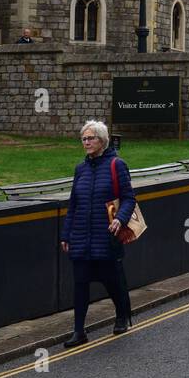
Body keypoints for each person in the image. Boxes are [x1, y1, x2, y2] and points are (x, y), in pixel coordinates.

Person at [61, 120, 137, 346]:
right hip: (81, 237)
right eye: (83, 138)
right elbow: (73, 204)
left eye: (91, 138)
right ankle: (78, 331)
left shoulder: (117, 165)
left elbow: (129, 198)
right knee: (80, 284)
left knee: (113, 282)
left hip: (106, 237)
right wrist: (66, 235)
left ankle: (122, 315)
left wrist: (120, 220)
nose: (86, 142)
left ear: (102, 140)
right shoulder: (80, 169)